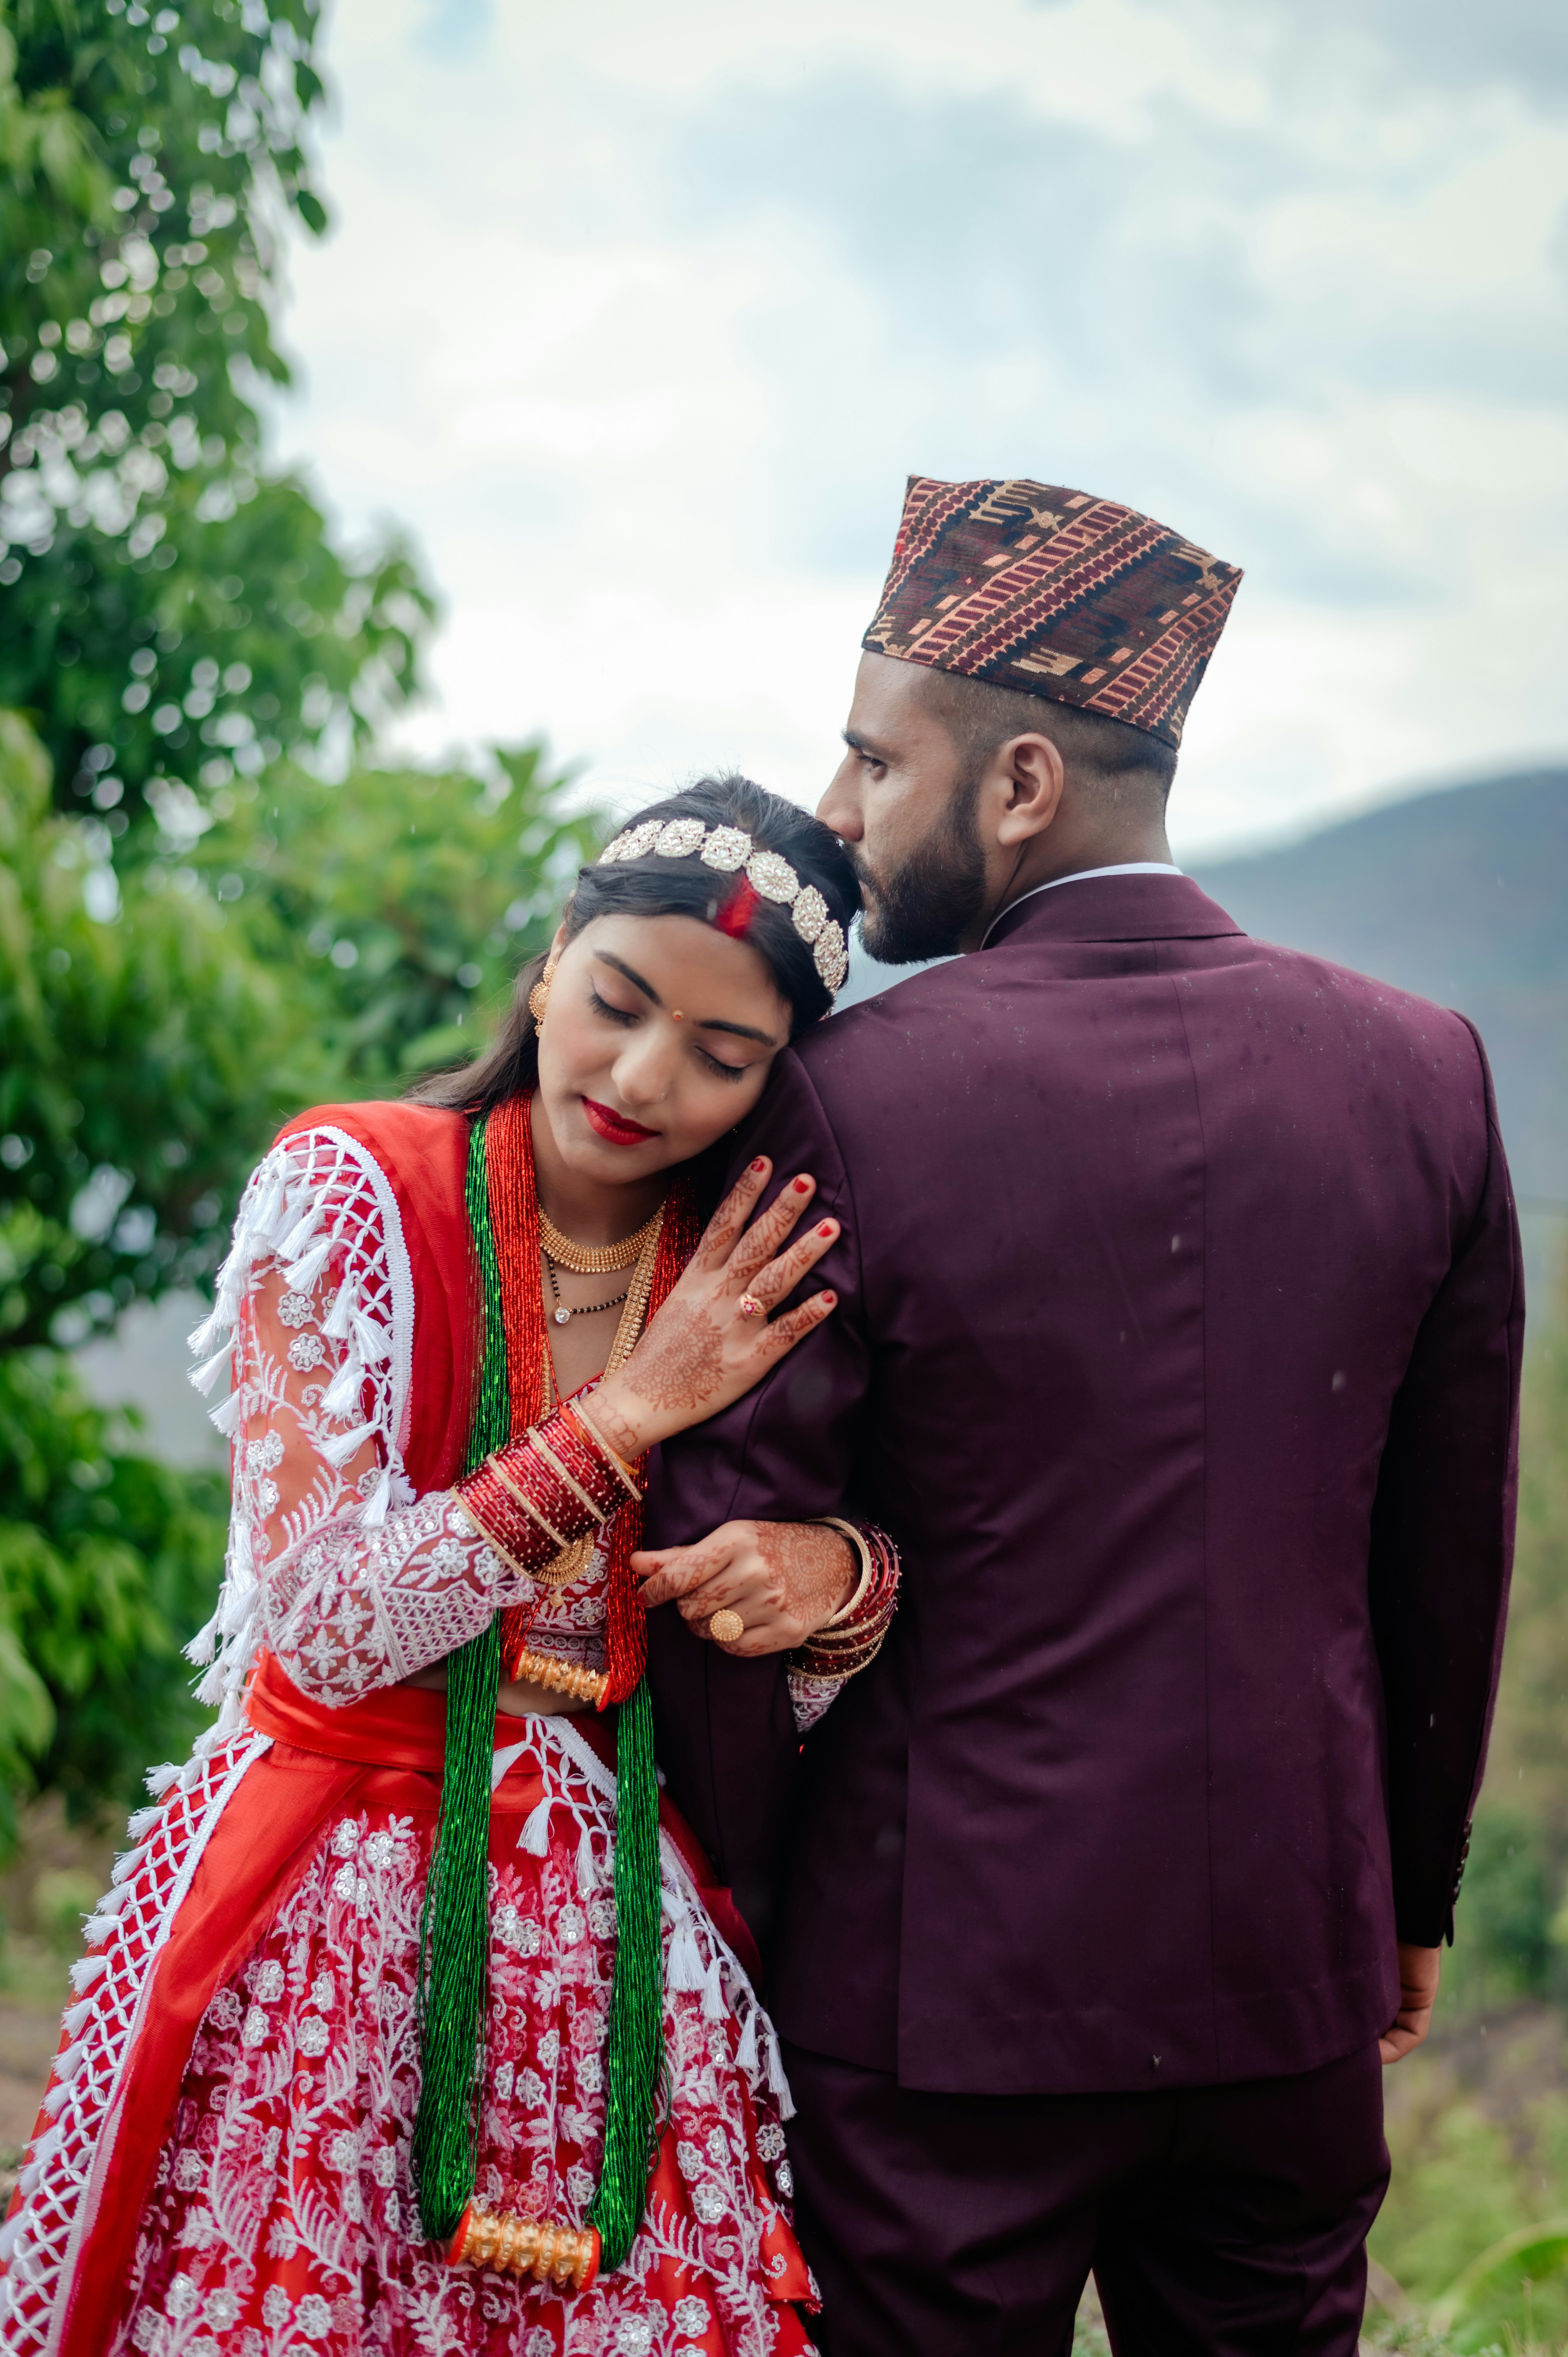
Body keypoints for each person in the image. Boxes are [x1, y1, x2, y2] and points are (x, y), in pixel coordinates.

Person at [638, 477, 1524, 2355]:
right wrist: (1407, 1894)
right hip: (1291, 1981)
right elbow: (1446, 1553)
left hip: (929, 2005)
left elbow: (721, 1573)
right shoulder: (1427, 1074)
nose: (841, 810)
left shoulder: (848, 1100)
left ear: (1022, 782)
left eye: (880, 759)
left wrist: (751, 1917)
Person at [0, 776, 898, 2357]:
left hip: (623, 1946)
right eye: (616, 1002)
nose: (642, 1077)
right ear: (548, 968)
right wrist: (627, 1414)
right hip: (327, 1917)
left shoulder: (753, 1275)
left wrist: (836, 1587)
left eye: (722, 1055)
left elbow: (756, 1689)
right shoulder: (353, 1191)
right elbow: (328, 1626)